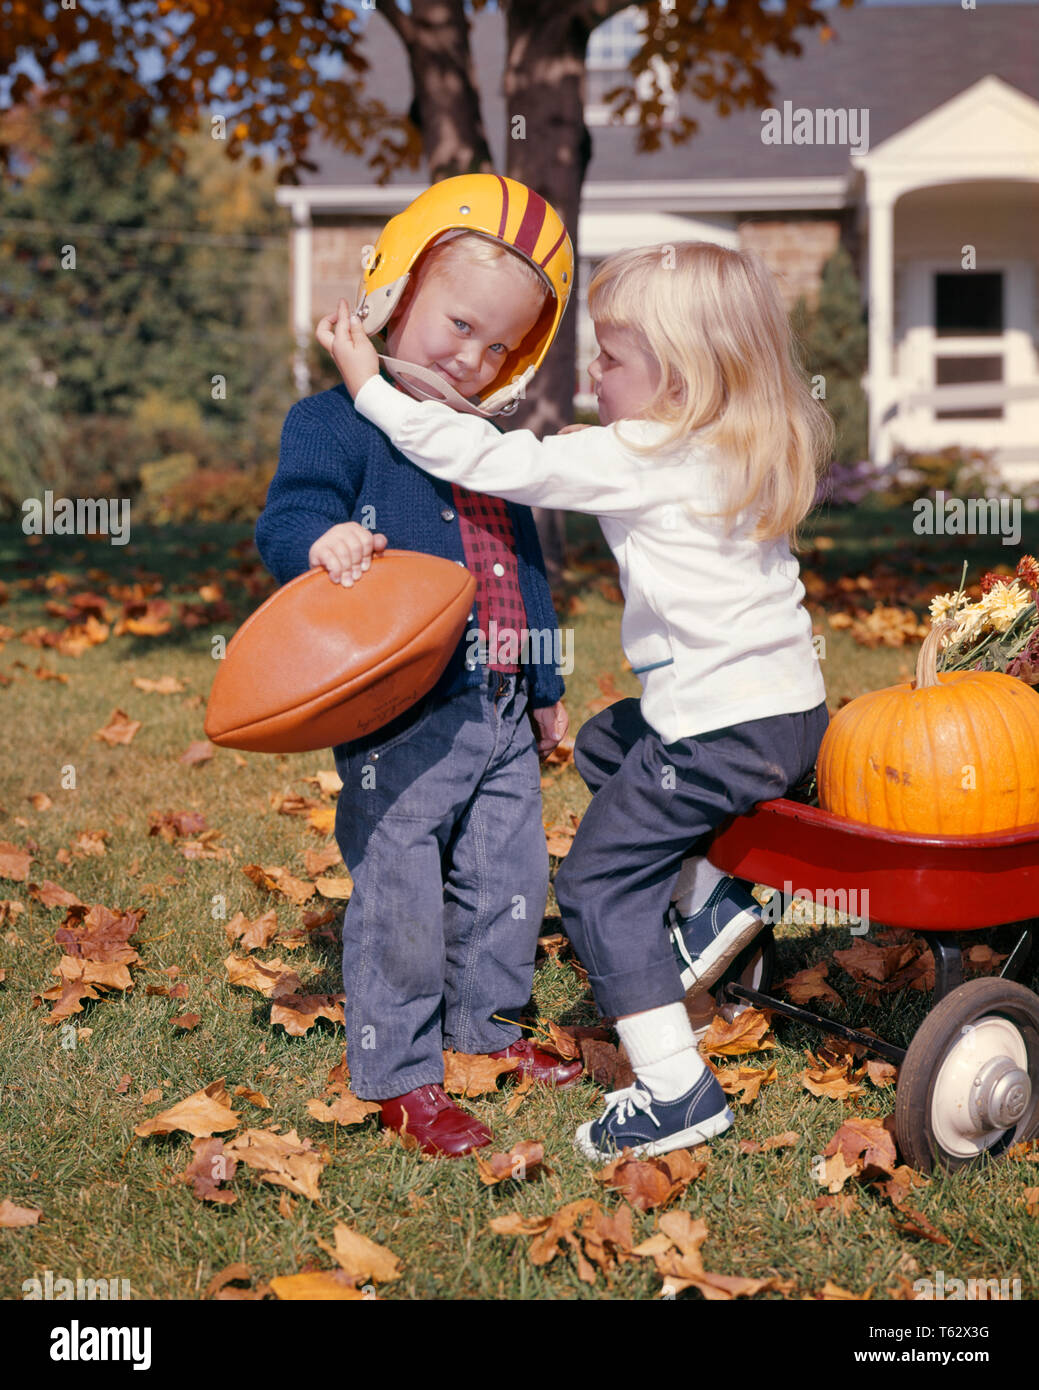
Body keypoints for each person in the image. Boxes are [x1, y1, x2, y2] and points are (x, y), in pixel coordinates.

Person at [318, 239, 833, 1160]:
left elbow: (486, 459)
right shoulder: (752, 443)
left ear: (674, 376)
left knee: (597, 888)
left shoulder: (640, 449)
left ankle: (675, 1090)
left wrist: (368, 384)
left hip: (711, 731)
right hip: (789, 719)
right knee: (606, 745)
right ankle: (711, 900)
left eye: (608, 356)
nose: (590, 372)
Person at [255, 175, 583, 1159]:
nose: (475, 358)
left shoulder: (486, 440)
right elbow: (286, 516)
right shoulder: (334, 420)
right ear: (394, 288)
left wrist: (549, 687)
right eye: (461, 324)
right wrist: (321, 545)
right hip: (401, 715)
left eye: (500, 346)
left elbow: (524, 568)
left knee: (507, 874)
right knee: (400, 888)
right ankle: (399, 1070)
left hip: (497, 703)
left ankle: (483, 1035)